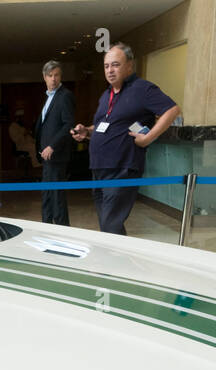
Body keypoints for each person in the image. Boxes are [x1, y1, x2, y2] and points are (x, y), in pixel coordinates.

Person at [70, 42, 180, 235]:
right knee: (108, 224)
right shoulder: (107, 94)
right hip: (99, 168)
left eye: (115, 65)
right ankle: (120, 261)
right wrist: (86, 131)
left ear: (130, 65)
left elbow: (172, 110)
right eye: (106, 66)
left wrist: (148, 138)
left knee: (110, 223)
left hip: (122, 167)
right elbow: (107, 125)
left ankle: (115, 262)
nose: (110, 70)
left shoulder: (143, 89)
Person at [34, 59, 75, 226]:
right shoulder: (49, 97)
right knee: (47, 195)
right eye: (50, 75)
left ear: (61, 76)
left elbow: (68, 124)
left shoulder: (65, 96)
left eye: (57, 75)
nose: (53, 79)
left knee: (56, 197)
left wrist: (52, 146)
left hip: (56, 154)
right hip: (46, 155)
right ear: (44, 77)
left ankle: (61, 231)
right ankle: (47, 226)